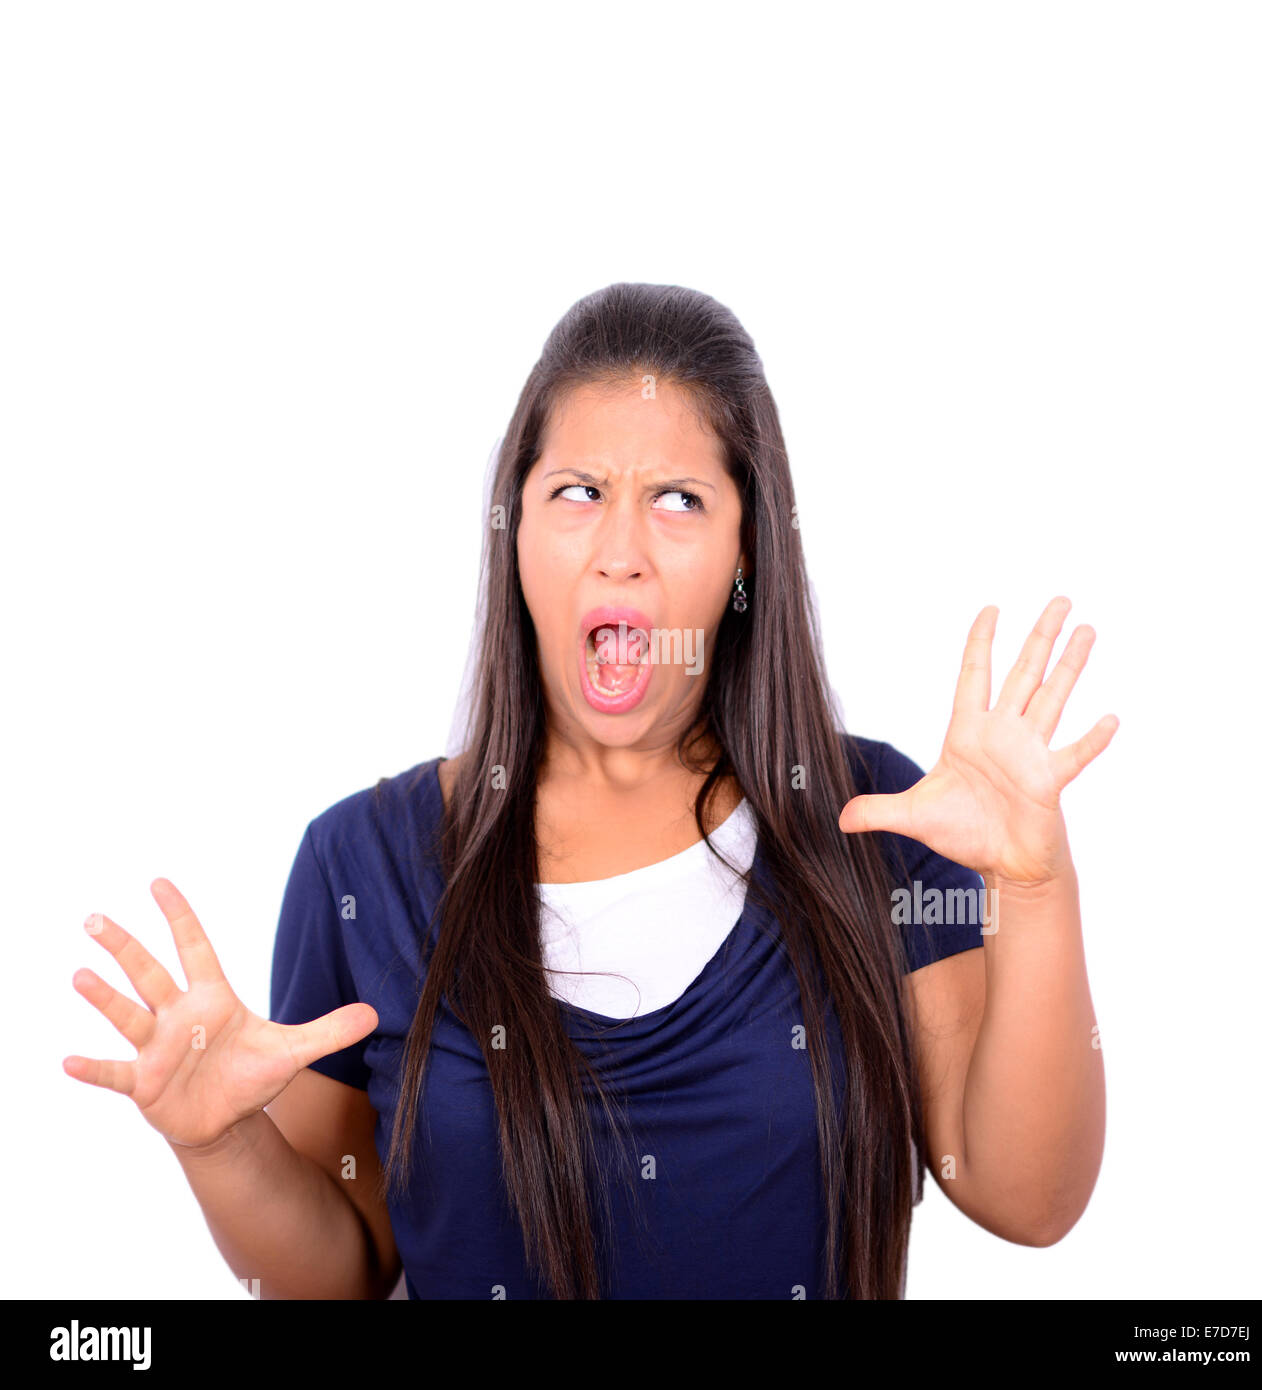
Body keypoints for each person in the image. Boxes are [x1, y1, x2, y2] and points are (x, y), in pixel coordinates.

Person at [64, 283, 1116, 1300]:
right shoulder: (361, 864)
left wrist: (1031, 888)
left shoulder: (879, 819)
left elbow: (1026, 1198)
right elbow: (340, 1272)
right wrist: (219, 1142)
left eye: (678, 500)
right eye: (577, 493)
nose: (620, 552)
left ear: (746, 552)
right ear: (513, 532)